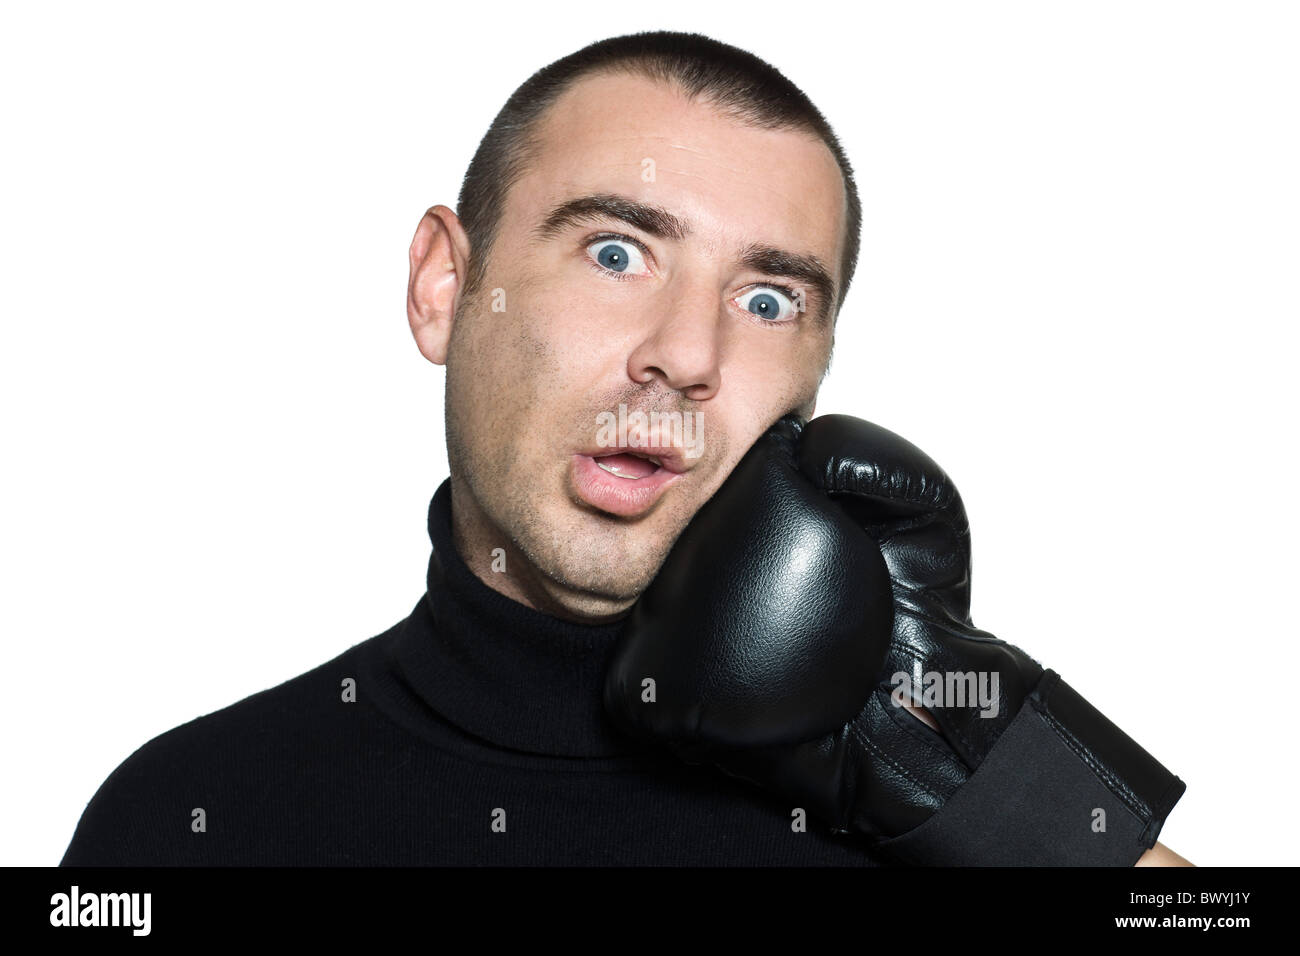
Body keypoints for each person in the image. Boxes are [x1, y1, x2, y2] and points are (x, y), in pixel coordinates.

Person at [59, 30, 1189, 867]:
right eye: (614, 252)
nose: (684, 354)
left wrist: (1005, 778)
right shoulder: (185, 819)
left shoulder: (927, 805)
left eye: (765, 299)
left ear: (819, 367)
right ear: (446, 288)